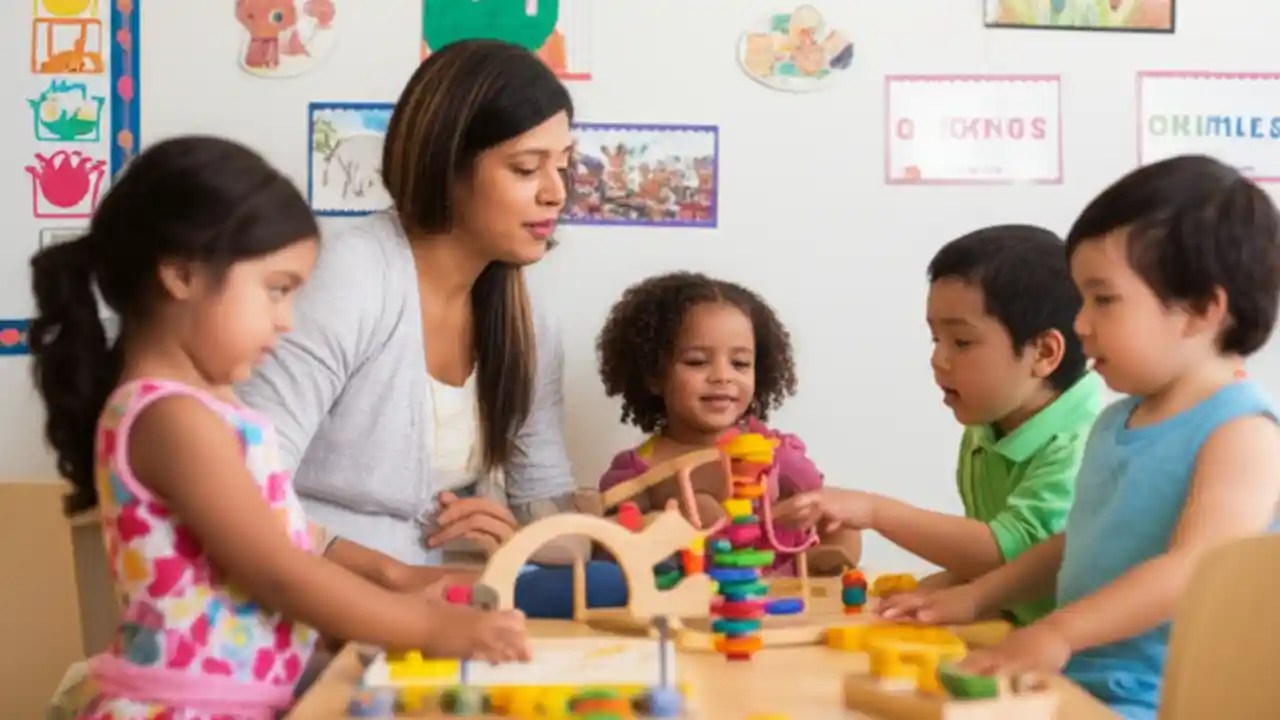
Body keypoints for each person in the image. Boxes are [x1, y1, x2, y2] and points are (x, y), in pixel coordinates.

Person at [28, 136, 529, 719]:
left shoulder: (212, 411)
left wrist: (397, 578)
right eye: (276, 289)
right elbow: (278, 572)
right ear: (182, 274)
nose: (286, 320)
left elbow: (291, 537)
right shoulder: (170, 419)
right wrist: (426, 627)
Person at [879, 155, 1280, 718]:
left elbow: (1196, 567)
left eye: (1103, 299)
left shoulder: (1241, 431)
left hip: (1160, 698)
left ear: (1199, 309)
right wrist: (974, 596)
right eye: (1081, 299)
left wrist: (1061, 632)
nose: (1082, 323)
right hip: (1081, 679)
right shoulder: (1118, 421)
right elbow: (1077, 541)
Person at [235, 40, 593, 593]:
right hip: (292, 601)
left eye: (564, 165)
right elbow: (242, 488)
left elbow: (557, 526)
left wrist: (522, 536)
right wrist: (391, 574)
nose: (556, 192)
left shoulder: (527, 321)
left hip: (419, 611)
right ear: (445, 164)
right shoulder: (352, 277)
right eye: (527, 168)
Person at [776, 226, 1101, 624]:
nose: (939, 360)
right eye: (935, 339)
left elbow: (1011, 554)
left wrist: (874, 511)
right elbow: (985, 565)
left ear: (1045, 352)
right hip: (1016, 636)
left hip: (1081, 659)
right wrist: (933, 589)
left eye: (961, 342)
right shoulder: (986, 428)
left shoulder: (1084, 440)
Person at [594, 271, 861, 575]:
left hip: (785, 580)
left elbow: (822, 501)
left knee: (843, 516)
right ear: (655, 376)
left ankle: (817, 569)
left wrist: (806, 513)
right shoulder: (640, 470)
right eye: (696, 362)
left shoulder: (773, 451)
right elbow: (614, 541)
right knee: (701, 510)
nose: (722, 376)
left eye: (740, 364)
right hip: (698, 585)